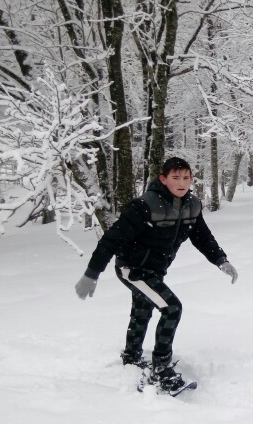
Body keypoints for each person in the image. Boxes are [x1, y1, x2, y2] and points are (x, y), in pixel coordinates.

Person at [74, 157, 238, 393]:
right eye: (175, 178)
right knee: (171, 308)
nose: (181, 183)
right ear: (163, 179)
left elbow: (202, 237)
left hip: (155, 270)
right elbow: (111, 240)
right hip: (132, 269)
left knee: (143, 308)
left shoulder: (191, 205)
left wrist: (221, 260)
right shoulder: (145, 206)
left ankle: (131, 357)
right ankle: (160, 370)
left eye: (186, 177)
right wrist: (91, 274)